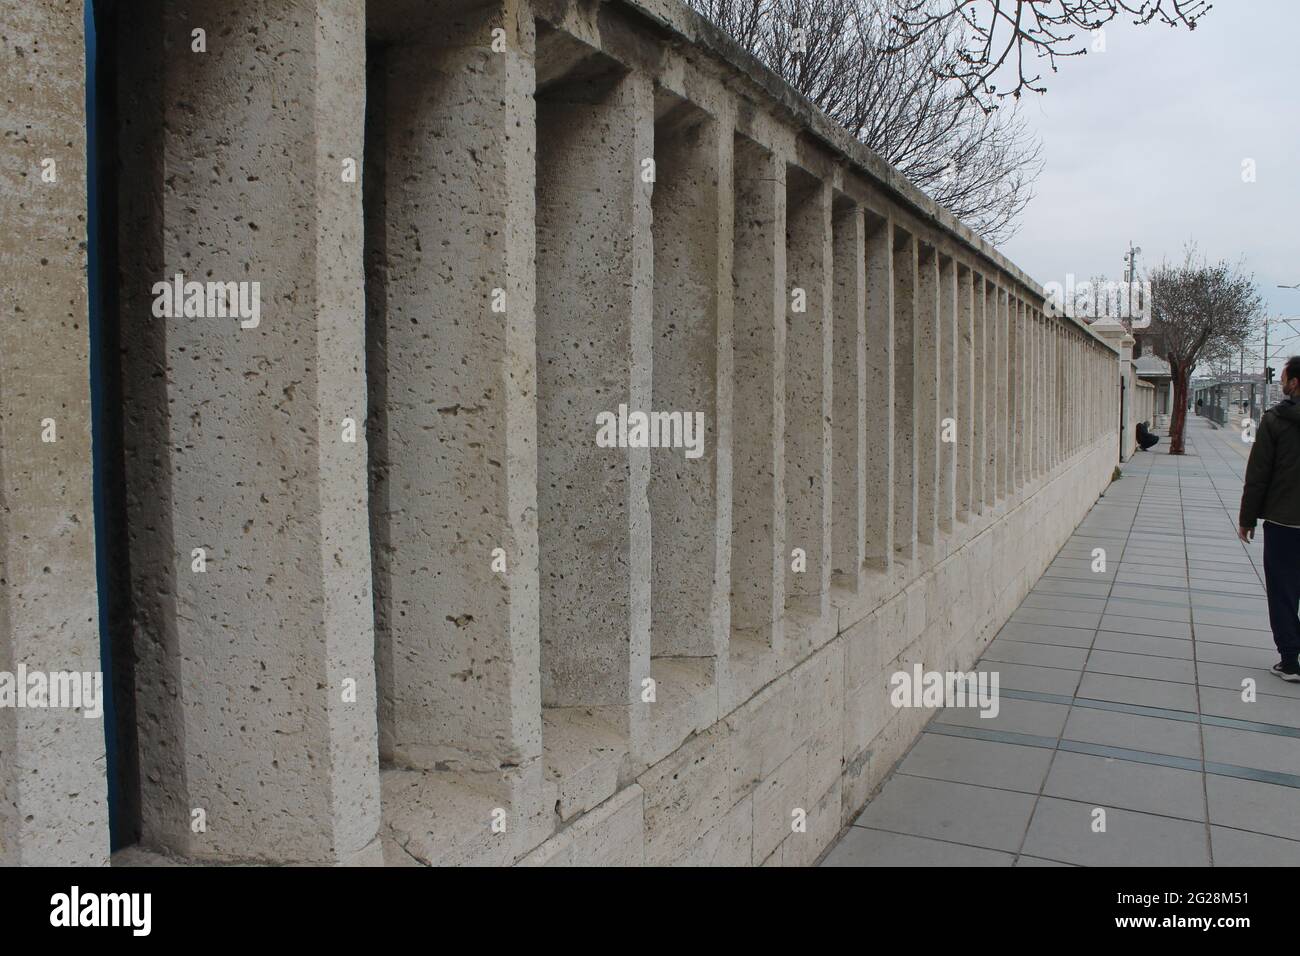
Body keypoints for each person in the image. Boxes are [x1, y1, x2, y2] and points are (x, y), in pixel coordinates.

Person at [1238, 354, 1300, 682]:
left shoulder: (1275, 421)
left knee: (1284, 590)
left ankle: (1290, 660)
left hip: (1284, 524)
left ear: (1295, 383)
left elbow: (1258, 475)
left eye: (1285, 377)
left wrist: (1247, 518)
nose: (1281, 383)